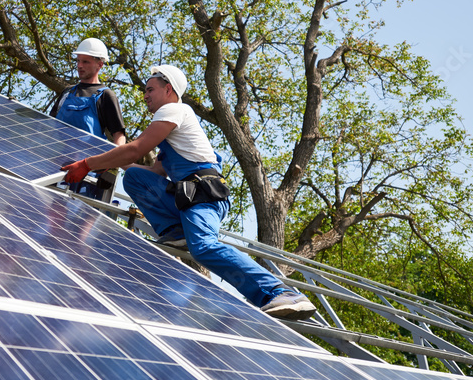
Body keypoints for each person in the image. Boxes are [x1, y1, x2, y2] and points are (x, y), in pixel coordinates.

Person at [60, 64, 316, 320]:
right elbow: (153, 171)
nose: (145, 95)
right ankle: (176, 231)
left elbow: (135, 149)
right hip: (189, 197)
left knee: (203, 246)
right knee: (136, 178)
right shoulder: (173, 127)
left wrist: (87, 164)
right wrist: (107, 158)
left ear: (168, 89)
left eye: (150, 89)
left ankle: (279, 293)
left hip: (204, 196)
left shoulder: (174, 110)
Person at [50, 38, 126, 199]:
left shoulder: (105, 96)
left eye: (85, 61)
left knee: (81, 222)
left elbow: (120, 138)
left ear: (100, 64)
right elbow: (48, 128)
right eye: (78, 61)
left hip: (88, 176)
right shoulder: (67, 93)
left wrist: (110, 167)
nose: (79, 66)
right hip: (55, 170)